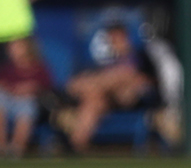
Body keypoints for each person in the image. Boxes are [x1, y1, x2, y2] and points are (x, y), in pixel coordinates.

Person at [62, 23, 154, 153]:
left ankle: (75, 141)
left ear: (126, 37)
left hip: (132, 96)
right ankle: (76, 144)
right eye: (111, 39)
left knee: (112, 82)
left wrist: (94, 82)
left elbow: (138, 79)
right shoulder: (107, 61)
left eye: (117, 38)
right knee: (94, 100)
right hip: (108, 97)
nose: (114, 42)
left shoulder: (138, 56)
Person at [0, 36, 52, 158]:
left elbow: (47, 87)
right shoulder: (5, 68)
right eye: (11, 47)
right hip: (7, 101)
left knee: (26, 105)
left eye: (16, 46)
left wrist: (30, 88)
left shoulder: (39, 69)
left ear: (27, 48)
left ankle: (16, 149)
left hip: (28, 102)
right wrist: (5, 87)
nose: (12, 49)